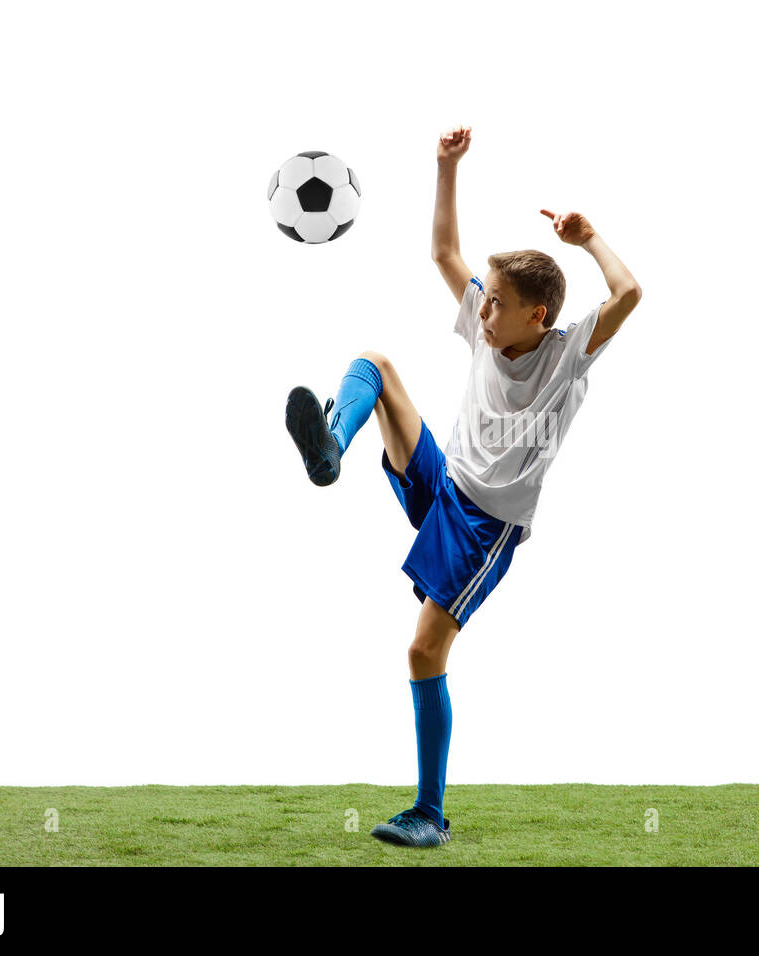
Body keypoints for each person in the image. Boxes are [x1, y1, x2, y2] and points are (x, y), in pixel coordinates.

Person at [284, 124, 642, 847]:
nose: (480, 311)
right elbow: (444, 253)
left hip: (484, 527)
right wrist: (445, 166)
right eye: (483, 301)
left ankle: (430, 813)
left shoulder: (567, 356)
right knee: (375, 364)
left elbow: (630, 291)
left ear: (536, 316)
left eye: (494, 302)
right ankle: (330, 452)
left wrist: (590, 237)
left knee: (423, 653)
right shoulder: (487, 327)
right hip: (445, 483)